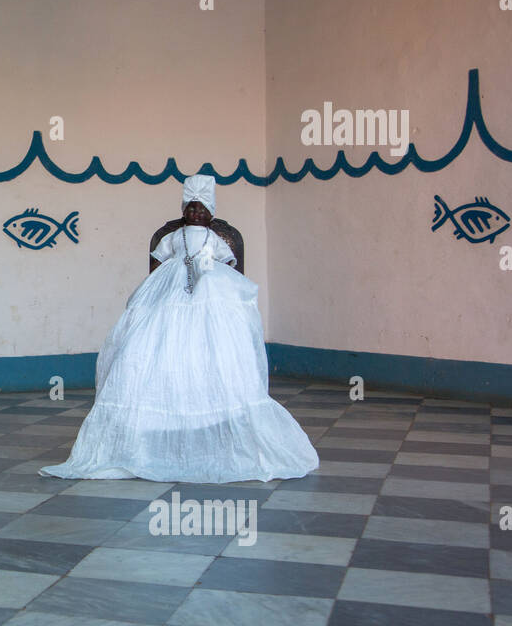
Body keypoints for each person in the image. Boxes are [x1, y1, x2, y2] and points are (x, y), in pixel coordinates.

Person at [40, 174, 319, 483]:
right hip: (170, 295)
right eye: (191, 208)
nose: (196, 214)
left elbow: (230, 264)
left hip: (210, 298)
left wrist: (221, 283)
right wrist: (150, 293)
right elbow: (156, 265)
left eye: (202, 210)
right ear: (184, 209)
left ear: (211, 214)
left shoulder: (214, 239)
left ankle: (217, 430)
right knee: (158, 349)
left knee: (211, 353)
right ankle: (153, 437)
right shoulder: (173, 237)